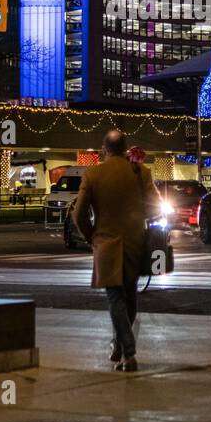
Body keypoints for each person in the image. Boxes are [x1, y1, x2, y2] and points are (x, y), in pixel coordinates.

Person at [71, 129, 159, 372]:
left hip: (106, 242)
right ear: (124, 148)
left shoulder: (93, 174)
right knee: (129, 296)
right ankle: (120, 347)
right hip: (135, 241)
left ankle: (128, 352)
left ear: (104, 149)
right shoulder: (141, 172)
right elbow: (154, 207)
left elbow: (78, 214)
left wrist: (91, 236)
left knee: (115, 297)